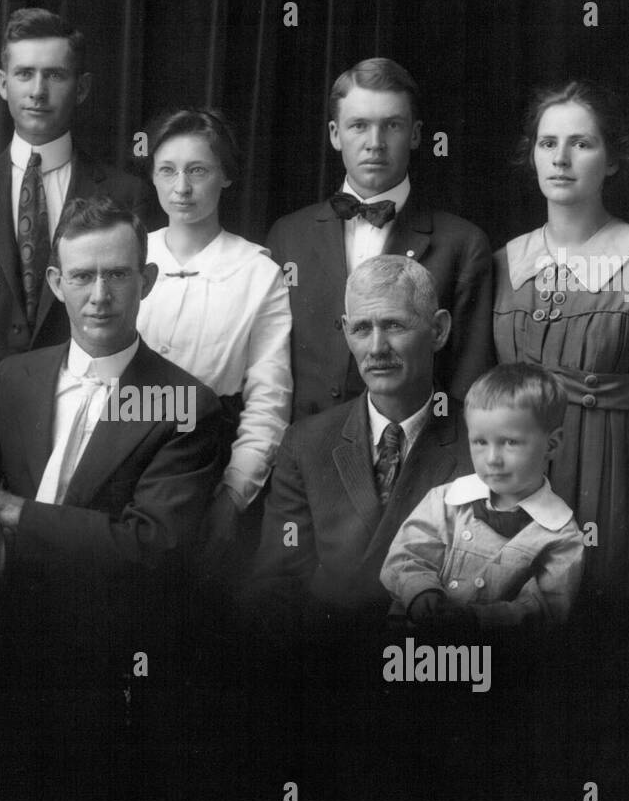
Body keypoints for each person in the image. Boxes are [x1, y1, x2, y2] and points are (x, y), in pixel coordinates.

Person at [0, 197, 223, 598]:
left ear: (146, 280)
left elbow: (152, 545)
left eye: (117, 275)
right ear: (56, 283)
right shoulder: (14, 377)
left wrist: (8, 507)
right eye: (81, 277)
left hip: (104, 620)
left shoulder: (183, 403)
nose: (99, 296)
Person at [495, 80, 629, 612]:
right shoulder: (505, 263)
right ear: (532, 156)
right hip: (522, 479)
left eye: (582, 143)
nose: (561, 159)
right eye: (548, 144)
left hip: (622, 477)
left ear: (613, 159)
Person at [0, 8, 146, 398]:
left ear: (81, 88)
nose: (37, 91)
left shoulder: (125, 194)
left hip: (88, 405)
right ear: (2, 83)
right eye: (24, 74)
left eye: (55, 75)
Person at [265, 58, 494, 421]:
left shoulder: (463, 244)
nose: (375, 143)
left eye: (392, 125)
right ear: (335, 134)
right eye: (359, 125)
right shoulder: (287, 235)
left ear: (416, 134)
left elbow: (470, 387)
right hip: (306, 457)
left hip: (420, 457)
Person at [251, 255, 474, 626]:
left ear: (438, 330)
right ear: (344, 330)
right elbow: (278, 581)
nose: (376, 348)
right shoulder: (307, 443)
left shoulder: (481, 443)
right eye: (360, 329)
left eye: (394, 325)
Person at [135, 107, 292, 564]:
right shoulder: (128, 252)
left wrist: (233, 495)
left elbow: (269, 399)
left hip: (209, 457)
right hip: (124, 441)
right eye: (167, 170)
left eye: (198, 170)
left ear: (225, 175)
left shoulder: (257, 272)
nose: (181, 188)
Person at [381, 363, 585, 631]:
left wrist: (475, 620)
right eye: (480, 442)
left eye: (510, 442)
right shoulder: (445, 500)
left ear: (552, 445)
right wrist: (422, 592)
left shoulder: (561, 535)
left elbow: (545, 609)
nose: (492, 459)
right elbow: (405, 556)